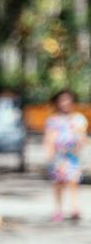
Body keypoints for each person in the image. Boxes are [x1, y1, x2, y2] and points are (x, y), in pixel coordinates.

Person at [44, 89, 87, 222]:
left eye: (68, 100)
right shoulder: (53, 120)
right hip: (58, 155)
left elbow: (83, 138)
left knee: (73, 182)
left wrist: (79, 139)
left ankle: (75, 208)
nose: (65, 103)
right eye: (62, 100)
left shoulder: (79, 119)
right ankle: (58, 209)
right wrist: (49, 155)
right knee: (58, 183)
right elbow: (49, 139)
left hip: (72, 155)